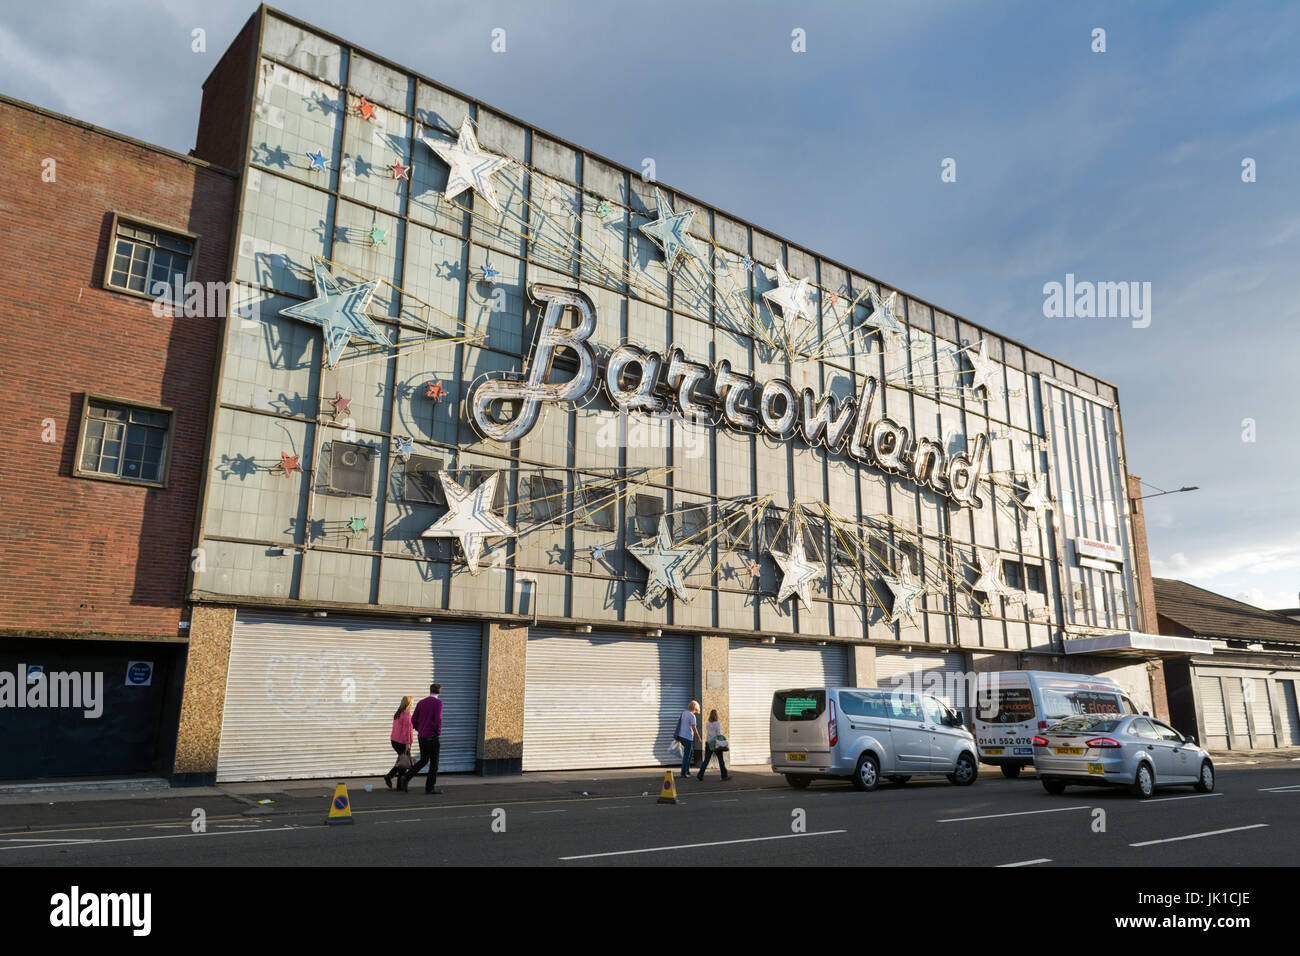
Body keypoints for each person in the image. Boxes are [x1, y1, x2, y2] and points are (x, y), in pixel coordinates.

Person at [402, 683, 444, 794]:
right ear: (439, 692)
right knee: (434, 763)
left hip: (422, 737)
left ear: (430, 691)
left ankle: (406, 776)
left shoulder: (421, 702)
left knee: (424, 760)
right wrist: (438, 732)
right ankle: (429, 788)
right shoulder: (438, 703)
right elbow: (438, 720)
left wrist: (419, 729)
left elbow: (413, 720)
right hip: (432, 737)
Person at [384, 695, 413, 789]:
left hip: (395, 741)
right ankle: (390, 777)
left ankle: (397, 783)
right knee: (404, 763)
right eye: (412, 702)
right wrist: (407, 744)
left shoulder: (398, 713)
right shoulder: (406, 715)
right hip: (402, 742)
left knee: (401, 761)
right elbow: (406, 732)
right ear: (409, 704)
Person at [697, 708, 729, 781]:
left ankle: (700, 774)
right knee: (721, 760)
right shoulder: (717, 723)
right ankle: (724, 776)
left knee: (706, 760)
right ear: (716, 715)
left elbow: (709, 733)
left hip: (708, 743)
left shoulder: (707, 724)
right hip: (715, 743)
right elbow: (718, 734)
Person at [675, 700, 702, 779]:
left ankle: (687, 771)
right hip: (687, 737)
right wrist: (698, 737)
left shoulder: (684, 713)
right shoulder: (692, 716)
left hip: (681, 736)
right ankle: (683, 773)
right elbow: (694, 728)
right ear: (695, 708)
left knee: (690, 753)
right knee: (687, 755)